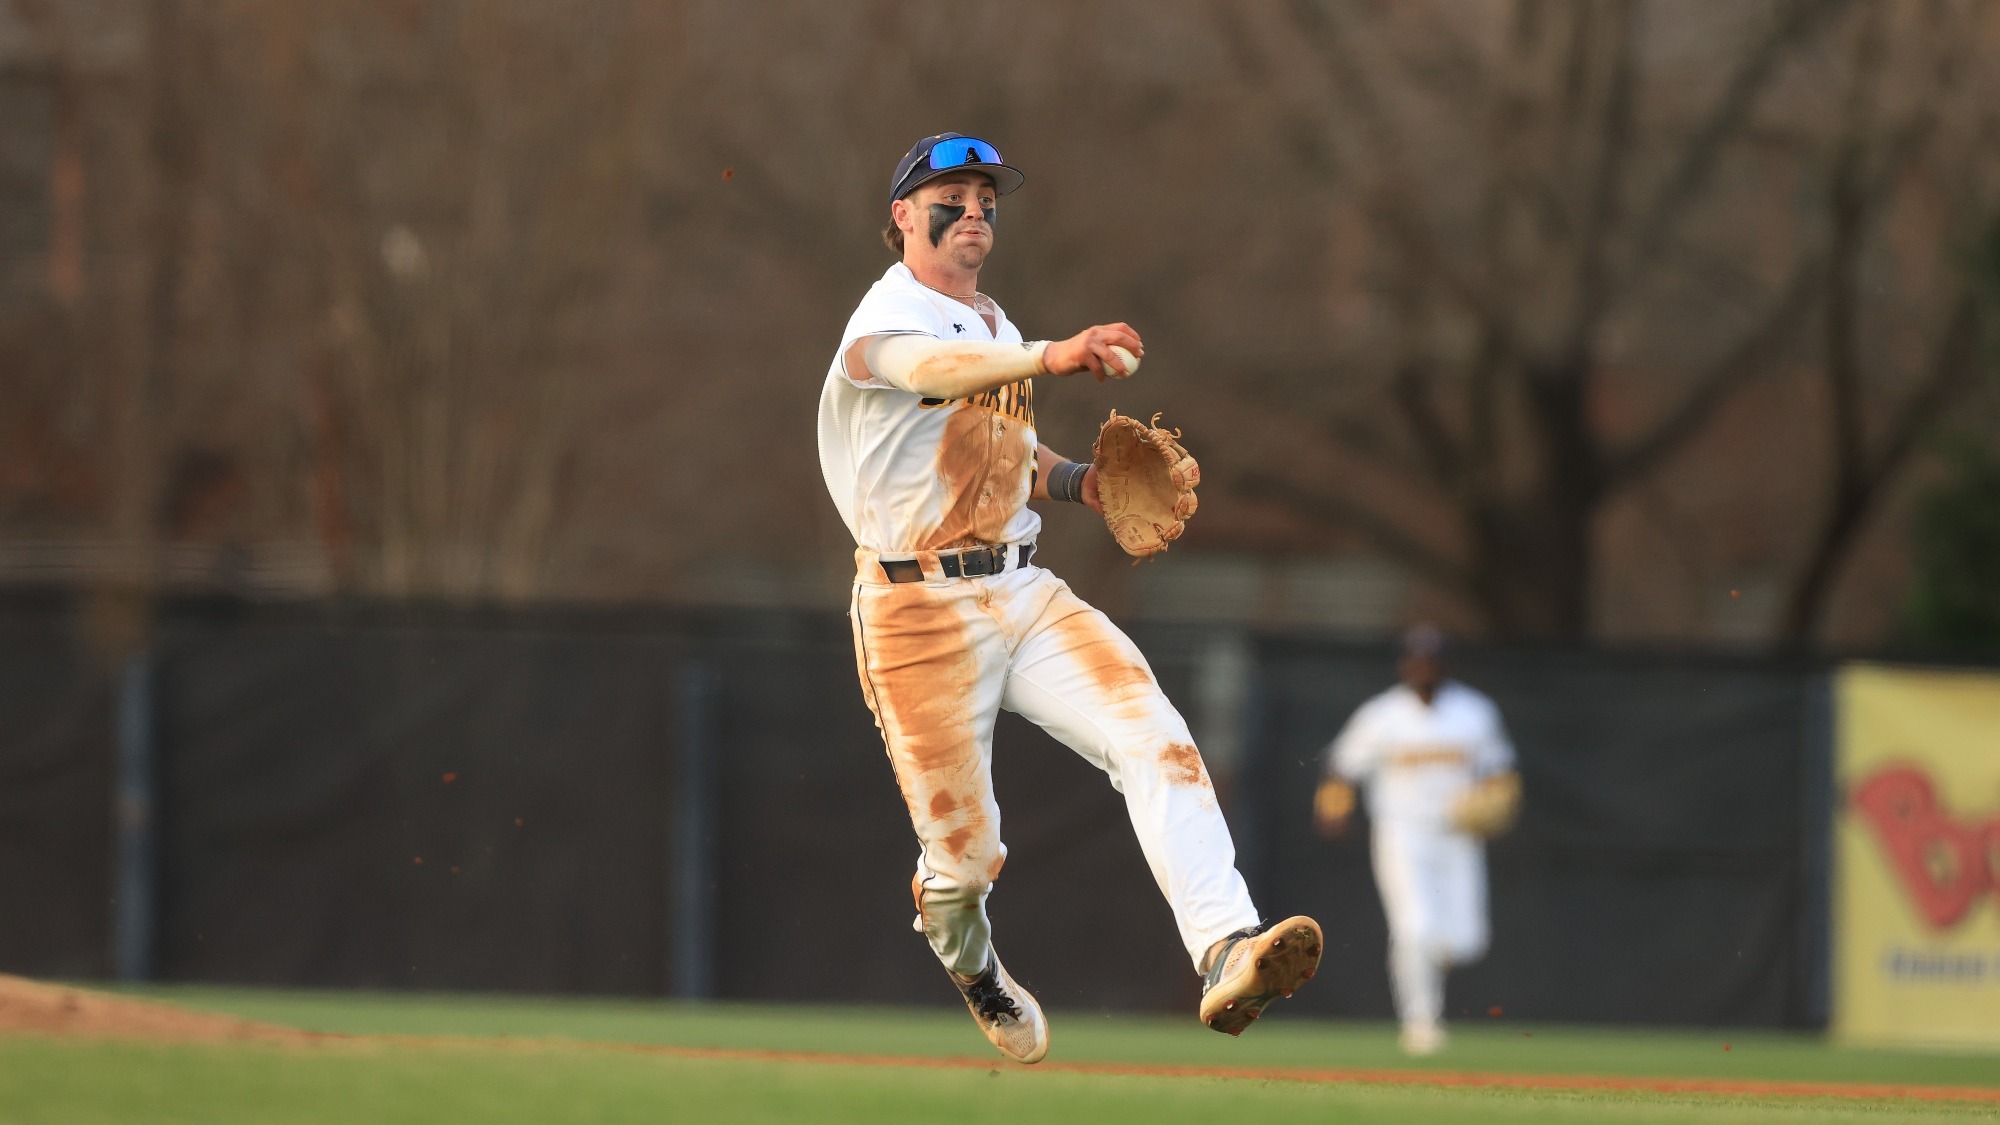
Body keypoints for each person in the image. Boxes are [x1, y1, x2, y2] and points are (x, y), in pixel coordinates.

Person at [818, 132, 1321, 1064]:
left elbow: (1000, 443)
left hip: (1020, 584)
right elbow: (929, 377)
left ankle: (1225, 947)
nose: (974, 210)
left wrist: (1077, 480)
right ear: (901, 217)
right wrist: (1055, 356)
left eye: (986, 198)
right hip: (915, 614)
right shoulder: (883, 320)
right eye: (950, 195)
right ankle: (970, 965)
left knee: (1154, 736)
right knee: (967, 863)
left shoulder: (995, 325)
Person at [1314, 625, 1520, 1056]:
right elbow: (1341, 767)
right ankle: (1421, 1023)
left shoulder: (1474, 712)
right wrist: (1334, 806)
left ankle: (1428, 979)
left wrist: (1498, 800)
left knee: (1466, 942)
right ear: (1404, 665)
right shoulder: (1382, 715)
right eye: (1416, 659)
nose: (1423, 667)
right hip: (1402, 835)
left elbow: (1501, 771)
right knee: (1414, 929)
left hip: (1459, 836)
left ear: (1445, 664)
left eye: (1431, 659)